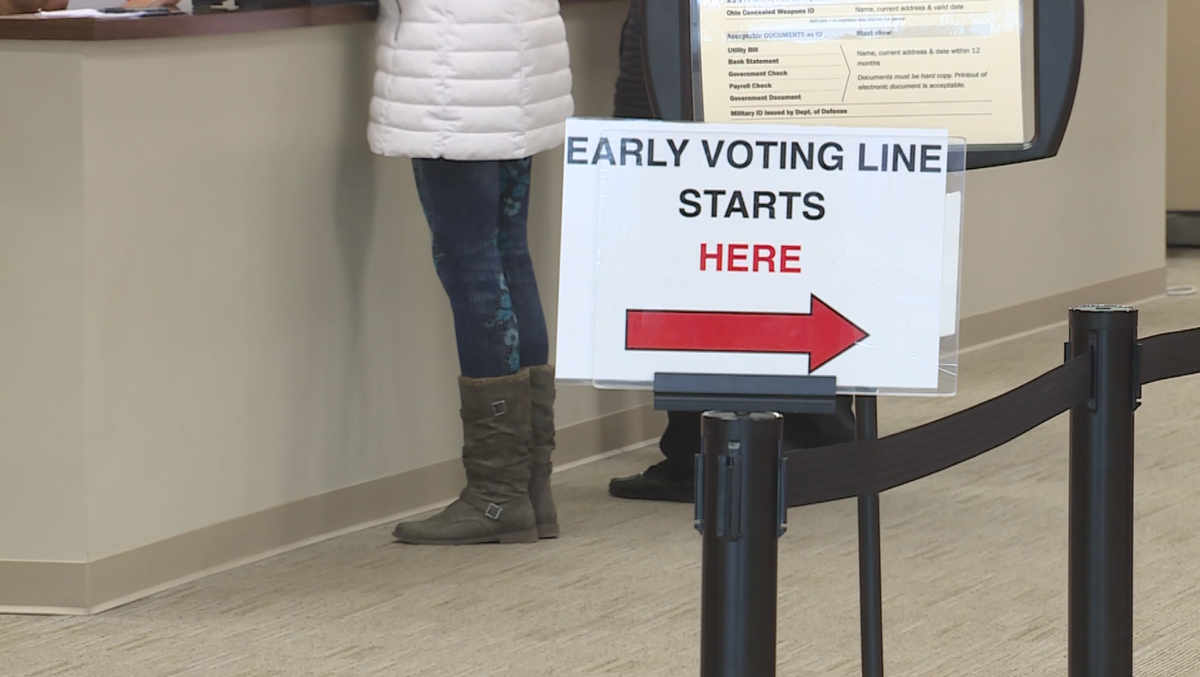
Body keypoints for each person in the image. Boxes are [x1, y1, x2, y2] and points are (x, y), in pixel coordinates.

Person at [605, 0, 856, 503]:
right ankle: (812, 438)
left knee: (695, 262)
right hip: (780, 60)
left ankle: (705, 454)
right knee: (785, 247)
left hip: (702, 61)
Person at [369, 0, 573, 544]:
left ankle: (497, 495)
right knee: (508, 253)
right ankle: (530, 489)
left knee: (471, 262)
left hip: (453, 73)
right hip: (516, 62)